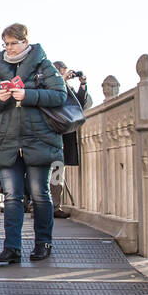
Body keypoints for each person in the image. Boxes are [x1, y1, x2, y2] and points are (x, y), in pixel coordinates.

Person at [0, 24, 67, 263]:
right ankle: (12, 248)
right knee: (12, 196)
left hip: (39, 140)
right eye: (6, 44)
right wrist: (0, 99)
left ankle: (43, 243)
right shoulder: (0, 68)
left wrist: (27, 95)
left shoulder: (43, 65)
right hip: (9, 141)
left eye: (12, 43)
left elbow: (59, 95)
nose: (8, 48)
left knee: (40, 195)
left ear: (24, 42)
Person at [48, 60, 92, 219]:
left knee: (57, 172)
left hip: (62, 139)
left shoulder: (67, 88)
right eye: (63, 72)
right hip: (51, 138)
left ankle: (54, 205)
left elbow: (81, 104)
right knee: (48, 174)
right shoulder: (50, 86)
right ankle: (45, 207)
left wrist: (83, 85)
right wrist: (62, 81)